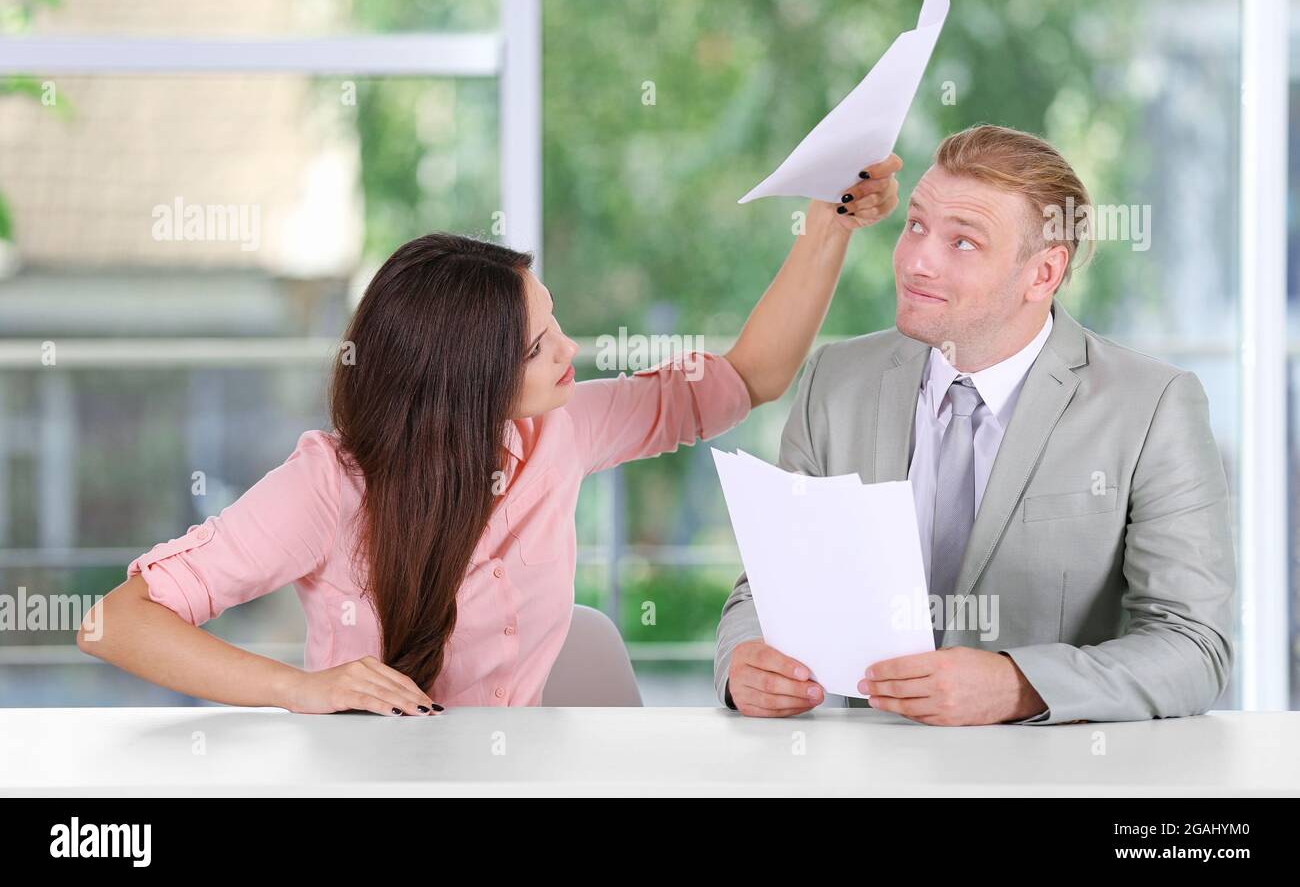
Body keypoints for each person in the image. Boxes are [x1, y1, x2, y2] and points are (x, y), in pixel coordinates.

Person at [78, 154, 903, 715]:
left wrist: (829, 224)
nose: (572, 351)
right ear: (466, 385)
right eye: (543, 346)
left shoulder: (560, 429)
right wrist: (305, 689)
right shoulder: (332, 485)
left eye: (554, 324)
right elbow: (115, 622)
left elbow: (749, 378)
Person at [715, 124, 1234, 725]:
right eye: (915, 226)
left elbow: (1193, 645)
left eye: (962, 242)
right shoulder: (836, 380)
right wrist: (742, 662)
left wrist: (1022, 686)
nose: (915, 261)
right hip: (865, 772)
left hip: (1057, 777)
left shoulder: (1153, 406)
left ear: (1042, 274)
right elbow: (771, 582)